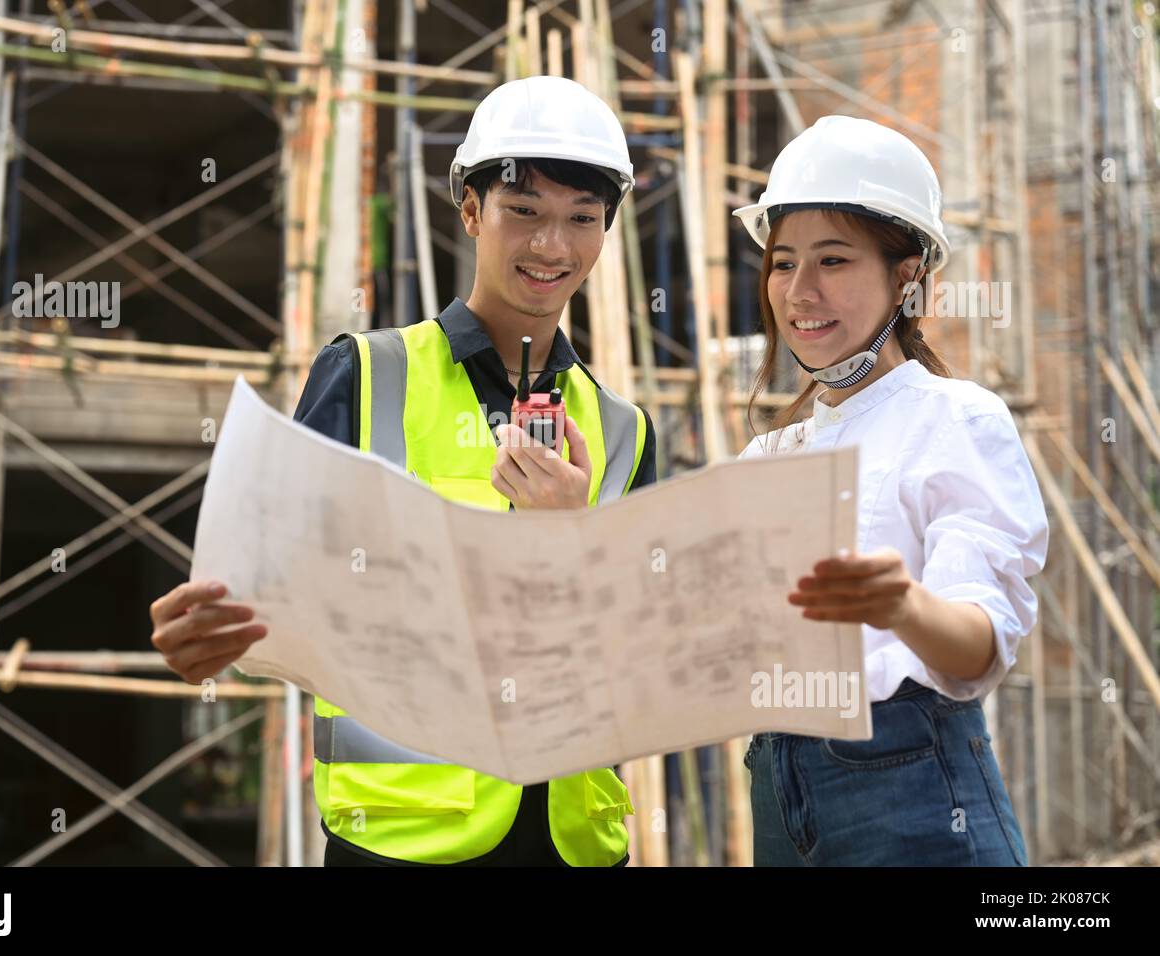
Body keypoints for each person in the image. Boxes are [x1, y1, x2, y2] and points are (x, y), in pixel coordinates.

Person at [150, 75, 656, 866]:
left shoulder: (623, 431)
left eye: (581, 220)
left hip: (575, 844)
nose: (552, 246)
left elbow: (646, 660)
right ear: (471, 210)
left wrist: (570, 547)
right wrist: (219, 637)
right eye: (524, 212)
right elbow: (277, 587)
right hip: (398, 842)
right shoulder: (368, 376)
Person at [731, 115, 1049, 866]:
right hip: (778, 789)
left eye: (833, 260)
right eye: (783, 263)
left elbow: (979, 643)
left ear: (908, 277)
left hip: (909, 792)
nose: (800, 292)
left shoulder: (956, 418)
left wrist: (903, 606)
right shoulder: (766, 454)